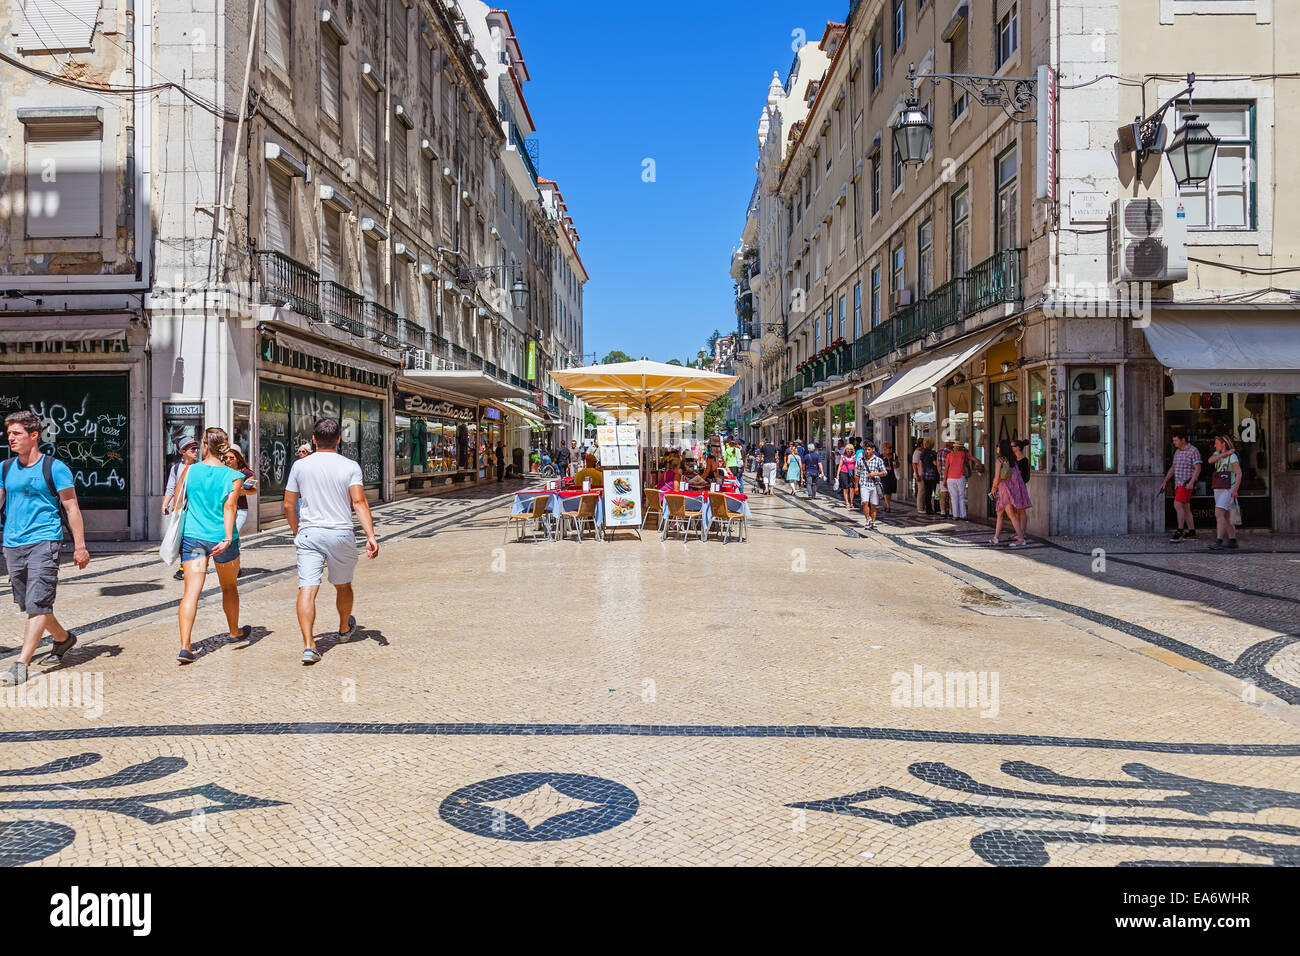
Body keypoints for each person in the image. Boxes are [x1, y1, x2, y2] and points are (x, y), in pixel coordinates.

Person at [0, 411, 91, 687]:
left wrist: (80, 546)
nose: (10, 437)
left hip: (45, 541)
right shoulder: (5, 468)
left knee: (38, 603)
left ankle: (21, 664)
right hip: (13, 543)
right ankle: (63, 639)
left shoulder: (55, 468)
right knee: (31, 603)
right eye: (9, 433)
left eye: (16, 433)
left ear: (33, 435)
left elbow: (71, 507)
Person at [284, 418, 380, 665]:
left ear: (314, 439)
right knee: (343, 584)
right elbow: (359, 502)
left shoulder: (300, 466)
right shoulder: (350, 466)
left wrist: (297, 531)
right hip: (340, 533)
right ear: (339, 439)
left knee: (307, 588)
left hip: (309, 533)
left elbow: (288, 504)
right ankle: (343, 629)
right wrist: (370, 536)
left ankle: (309, 646)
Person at [175, 427, 249, 663]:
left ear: (205, 445)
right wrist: (227, 539)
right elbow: (230, 508)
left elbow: (177, 502)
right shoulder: (234, 476)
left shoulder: (190, 470)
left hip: (194, 538)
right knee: (229, 587)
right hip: (222, 539)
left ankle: (185, 646)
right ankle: (234, 631)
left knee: (191, 593)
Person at [164, 437, 201, 580]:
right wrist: (165, 503)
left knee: (190, 537)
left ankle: (188, 566)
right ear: (182, 452)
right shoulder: (175, 468)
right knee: (181, 537)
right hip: (182, 510)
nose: (196, 451)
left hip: (196, 509)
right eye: (192, 449)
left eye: (196, 448)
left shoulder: (200, 467)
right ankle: (184, 566)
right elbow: (171, 488)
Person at [990, 439, 1031, 547]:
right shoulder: (1012, 460)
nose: (997, 448)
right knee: (1000, 513)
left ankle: (1021, 538)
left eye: (998, 446)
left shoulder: (1000, 460)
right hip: (1009, 489)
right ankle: (996, 538)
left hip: (1004, 489)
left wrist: (993, 488)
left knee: (1010, 515)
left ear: (1001, 448)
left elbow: (997, 477)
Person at [1206, 434, 1242, 551]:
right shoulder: (1218, 454)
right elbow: (1210, 460)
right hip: (1218, 487)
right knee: (1227, 515)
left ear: (1223, 444)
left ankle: (1219, 540)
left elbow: (1239, 473)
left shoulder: (1233, 457)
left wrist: (1235, 489)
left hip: (1228, 488)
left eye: (1217, 443)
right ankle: (1232, 540)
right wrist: (1225, 454)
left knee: (1219, 513)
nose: (1215, 445)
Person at [1163, 434, 1201, 542]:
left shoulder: (1193, 451)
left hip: (1186, 483)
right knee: (1185, 508)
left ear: (1183, 440)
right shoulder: (1177, 452)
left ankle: (1180, 530)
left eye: (1176, 440)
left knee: (1177, 505)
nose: (1174, 443)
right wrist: (1165, 480)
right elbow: (1173, 467)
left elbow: (1198, 468)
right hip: (1178, 484)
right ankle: (1192, 531)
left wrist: (1192, 482)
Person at [223, 445, 257, 540]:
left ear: (238, 458)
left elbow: (254, 490)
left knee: (233, 536)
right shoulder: (223, 470)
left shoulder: (245, 472)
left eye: (231, 457)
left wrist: (242, 490)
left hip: (240, 509)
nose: (228, 460)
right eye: (225, 457)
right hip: (224, 508)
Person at [859, 441, 888, 530]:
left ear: (873, 450)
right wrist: (856, 486)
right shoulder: (861, 460)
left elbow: (885, 472)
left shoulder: (878, 460)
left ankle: (873, 521)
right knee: (864, 502)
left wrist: (874, 474)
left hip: (874, 485)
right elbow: (857, 473)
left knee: (874, 505)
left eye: (868, 449)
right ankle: (867, 520)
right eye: (865, 450)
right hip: (864, 484)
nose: (867, 451)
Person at [945, 441, 971, 520]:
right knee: (961, 497)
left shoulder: (949, 455)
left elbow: (946, 468)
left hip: (950, 478)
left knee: (954, 497)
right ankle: (963, 515)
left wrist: (944, 480)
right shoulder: (964, 454)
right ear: (962, 448)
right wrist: (980, 466)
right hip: (960, 478)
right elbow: (976, 460)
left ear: (954, 447)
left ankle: (955, 516)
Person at [918, 438, 939, 516]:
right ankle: (937, 508)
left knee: (928, 493)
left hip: (926, 475)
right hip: (934, 475)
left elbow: (920, 463)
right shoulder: (933, 453)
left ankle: (928, 509)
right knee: (936, 492)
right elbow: (935, 463)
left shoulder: (923, 453)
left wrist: (923, 471)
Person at [937, 441, 953, 517]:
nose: (953, 444)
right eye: (952, 443)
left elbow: (938, 464)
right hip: (950, 477)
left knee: (943, 495)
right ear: (949, 444)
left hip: (941, 477)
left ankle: (942, 512)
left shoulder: (939, 452)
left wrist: (940, 473)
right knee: (951, 495)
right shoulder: (951, 453)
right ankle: (951, 512)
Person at [838, 442, 856, 510]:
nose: (849, 451)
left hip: (852, 473)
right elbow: (840, 465)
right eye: (848, 449)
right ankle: (847, 502)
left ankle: (851, 502)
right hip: (844, 473)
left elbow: (856, 465)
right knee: (845, 488)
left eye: (850, 449)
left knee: (852, 488)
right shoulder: (843, 456)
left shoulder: (854, 456)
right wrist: (838, 475)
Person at [880, 442, 897, 512]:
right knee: (885, 490)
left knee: (890, 491)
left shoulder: (894, 455)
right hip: (884, 476)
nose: (890, 450)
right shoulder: (881, 456)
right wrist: (886, 468)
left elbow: (898, 464)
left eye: (891, 448)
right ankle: (888, 506)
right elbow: (879, 466)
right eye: (889, 448)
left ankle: (887, 504)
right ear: (885, 449)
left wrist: (896, 464)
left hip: (892, 475)